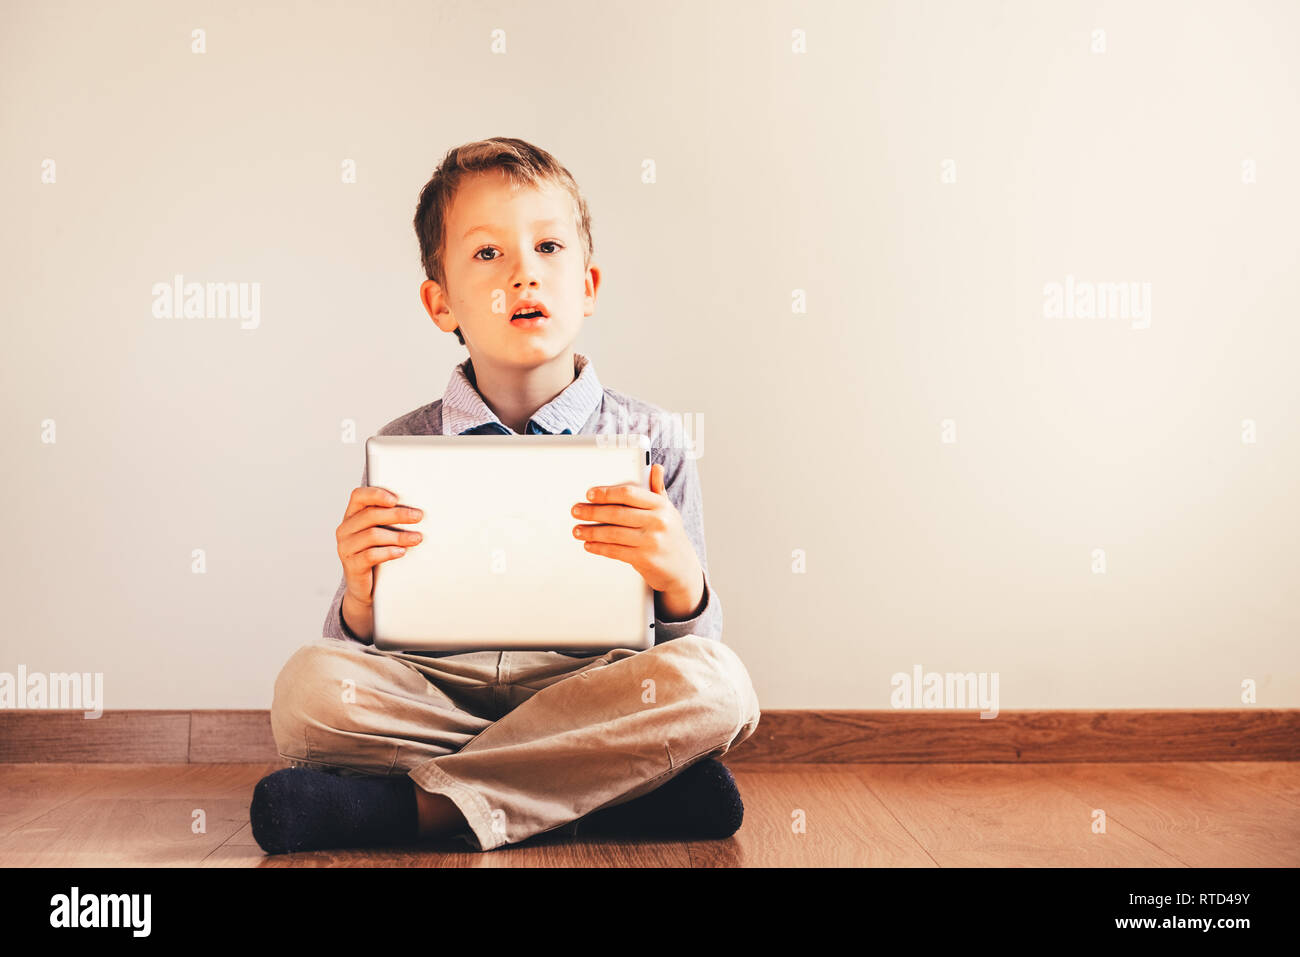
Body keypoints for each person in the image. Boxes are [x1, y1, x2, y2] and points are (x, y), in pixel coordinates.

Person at [250, 137, 761, 854]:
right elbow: (352, 653)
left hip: (593, 686)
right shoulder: (402, 445)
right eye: (488, 254)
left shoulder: (653, 436)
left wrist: (681, 580)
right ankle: (593, 789)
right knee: (305, 692)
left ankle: (427, 811)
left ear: (587, 285)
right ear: (440, 303)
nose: (524, 274)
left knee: (721, 685)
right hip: (438, 690)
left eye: (550, 247)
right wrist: (360, 598)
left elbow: (692, 648)